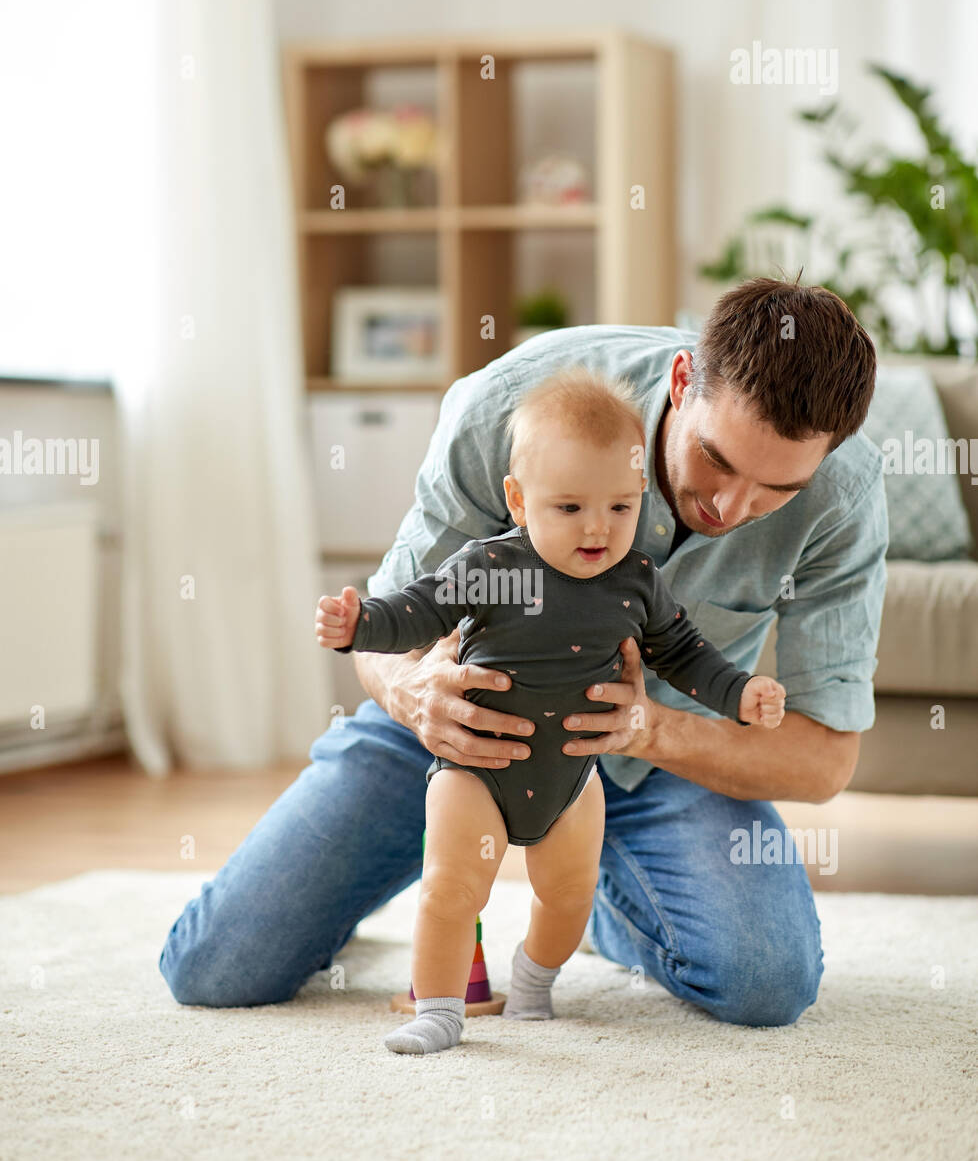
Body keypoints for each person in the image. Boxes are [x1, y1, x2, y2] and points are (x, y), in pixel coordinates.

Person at [158, 276, 887, 1033]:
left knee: (765, 982)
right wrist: (416, 694)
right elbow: (389, 631)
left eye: (777, 489)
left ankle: (602, 899)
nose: (731, 508)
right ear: (681, 381)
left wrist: (649, 730)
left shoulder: (844, 492)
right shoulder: (509, 407)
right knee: (219, 966)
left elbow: (824, 762)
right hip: (461, 733)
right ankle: (393, 894)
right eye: (716, 460)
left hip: (654, 759)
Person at [315, 367, 786, 1053]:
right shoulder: (487, 567)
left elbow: (683, 653)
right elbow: (414, 612)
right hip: (475, 769)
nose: (598, 528)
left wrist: (739, 692)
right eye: (569, 509)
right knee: (451, 890)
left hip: (571, 779)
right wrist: (361, 624)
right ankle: (441, 1012)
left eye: (620, 509)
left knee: (567, 895)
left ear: (638, 495)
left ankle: (534, 982)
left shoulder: (637, 583)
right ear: (518, 499)